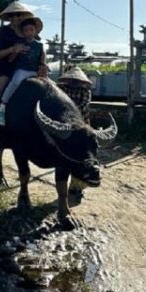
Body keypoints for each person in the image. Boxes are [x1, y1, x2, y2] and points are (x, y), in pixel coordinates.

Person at [0, 2, 34, 141]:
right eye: (13, 15)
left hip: (26, 68)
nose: (16, 18)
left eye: (19, 15)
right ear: (9, 17)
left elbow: (38, 51)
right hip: (4, 68)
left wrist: (43, 65)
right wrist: (12, 49)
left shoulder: (28, 33)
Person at [0, 15, 47, 125]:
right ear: (23, 32)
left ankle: (46, 108)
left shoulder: (40, 46)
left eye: (31, 30)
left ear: (35, 31)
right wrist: (16, 51)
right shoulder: (19, 44)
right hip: (22, 70)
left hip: (34, 71)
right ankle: (3, 106)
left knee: (46, 86)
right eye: (26, 30)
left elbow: (42, 60)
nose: (29, 32)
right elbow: (10, 59)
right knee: (15, 82)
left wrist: (43, 66)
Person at [57, 66, 94, 196]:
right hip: (64, 126)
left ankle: (77, 187)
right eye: (71, 80)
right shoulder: (61, 89)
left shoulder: (85, 92)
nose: (74, 82)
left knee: (82, 158)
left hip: (81, 127)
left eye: (76, 80)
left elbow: (81, 108)